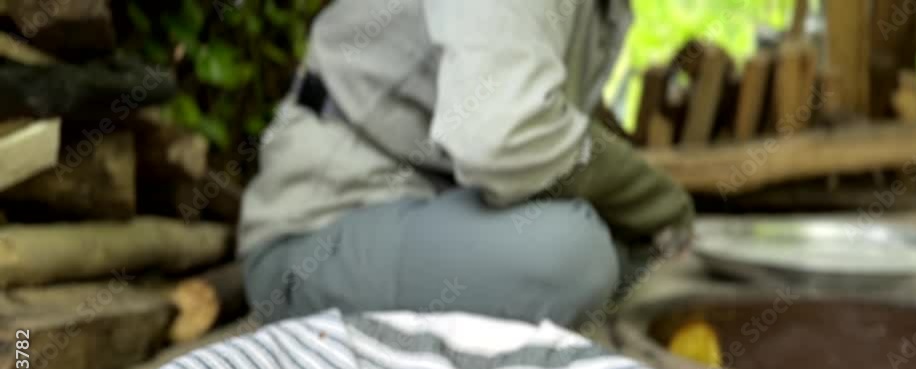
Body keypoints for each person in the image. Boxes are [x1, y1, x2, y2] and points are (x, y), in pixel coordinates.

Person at [239, 0, 694, 328]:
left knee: (620, 257)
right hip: (311, 240)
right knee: (574, 255)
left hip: (432, 212)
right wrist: (658, 203)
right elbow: (503, 137)